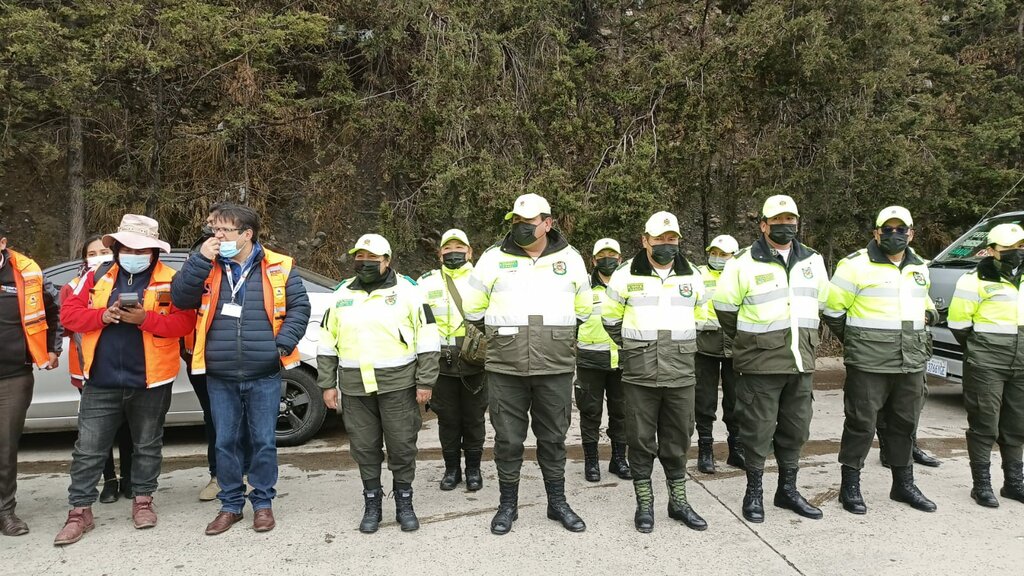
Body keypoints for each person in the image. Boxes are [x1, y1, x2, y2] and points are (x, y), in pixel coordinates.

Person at [55, 215, 196, 546]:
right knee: (88, 449)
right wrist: (103, 315)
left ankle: (143, 501)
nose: (134, 254)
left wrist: (145, 319)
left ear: (154, 251)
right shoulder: (94, 276)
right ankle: (79, 512)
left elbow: (185, 324)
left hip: (152, 381)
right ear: (116, 248)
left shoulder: (173, 281)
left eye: (142, 249)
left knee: (147, 444)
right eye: (128, 248)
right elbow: (68, 315)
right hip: (100, 380)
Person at [171, 204, 311, 536]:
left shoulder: (279, 266)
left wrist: (280, 347)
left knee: (263, 441)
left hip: (264, 371)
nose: (216, 236)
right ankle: (231, 505)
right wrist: (200, 260)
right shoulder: (205, 263)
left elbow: (299, 308)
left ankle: (262, 504)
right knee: (226, 442)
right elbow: (180, 298)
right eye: (214, 230)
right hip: (219, 373)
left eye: (224, 230)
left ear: (246, 234)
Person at [462, 193, 593, 535]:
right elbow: (472, 309)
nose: (521, 227)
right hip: (506, 368)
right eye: (516, 221)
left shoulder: (571, 259)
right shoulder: (492, 258)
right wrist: (506, 338)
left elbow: (583, 309)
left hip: (555, 367)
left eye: (529, 222)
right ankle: (508, 505)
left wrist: (553, 338)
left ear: (547, 223)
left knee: (554, 438)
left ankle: (557, 503)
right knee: (508, 440)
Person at [713, 195, 829, 523]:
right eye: (777, 220)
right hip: (760, 363)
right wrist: (753, 341)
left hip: (801, 361)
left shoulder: (813, 260)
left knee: (796, 428)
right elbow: (725, 309)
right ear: (763, 225)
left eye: (790, 219)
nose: (785, 225)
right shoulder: (742, 262)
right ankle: (754, 492)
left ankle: (787, 490)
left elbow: (821, 302)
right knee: (757, 431)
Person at [318, 234, 439, 533]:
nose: (364, 262)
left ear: (387, 260)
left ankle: (404, 502)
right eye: (359, 257)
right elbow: (326, 340)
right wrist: (327, 383)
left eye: (372, 258)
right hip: (355, 386)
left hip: (398, 384)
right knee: (364, 447)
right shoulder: (341, 293)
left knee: (402, 446)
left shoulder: (408, 291)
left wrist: (425, 381)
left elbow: (428, 337)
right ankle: (372, 503)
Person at [823, 206, 938, 515]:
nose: (894, 234)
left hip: (910, 360)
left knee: (905, 423)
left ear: (911, 234)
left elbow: (925, 302)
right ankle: (850, 486)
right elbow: (833, 311)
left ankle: (903, 484)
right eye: (887, 229)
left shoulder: (919, 267)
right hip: (869, 362)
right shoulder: (854, 266)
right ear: (876, 233)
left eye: (901, 229)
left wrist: (930, 314)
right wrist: (859, 342)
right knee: (861, 423)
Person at [602, 212, 707, 533]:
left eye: (671, 238)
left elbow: (701, 317)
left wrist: (676, 348)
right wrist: (637, 350)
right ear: (645, 240)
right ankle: (644, 504)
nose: (666, 244)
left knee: (679, 439)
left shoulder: (693, 276)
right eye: (659, 239)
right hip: (640, 374)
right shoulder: (624, 275)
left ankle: (678, 502)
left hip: (680, 373)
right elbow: (610, 319)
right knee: (640, 439)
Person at [947, 222, 1024, 508]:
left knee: (1017, 424)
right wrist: (982, 350)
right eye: (1008, 248)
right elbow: (958, 324)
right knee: (984, 424)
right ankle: (981, 485)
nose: (1017, 252)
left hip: (1022, 362)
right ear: (991, 251)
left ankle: (1014, 483)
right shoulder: (973, 280)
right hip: (987, 361)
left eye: (1021, 246)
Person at [181, 206, 251, 502]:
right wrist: (201, 260)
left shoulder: (249, 257)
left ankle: (247, 472)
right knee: (215, 418)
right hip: (202, 355)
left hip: (242, 353)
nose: (214, 230)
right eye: (211, 224)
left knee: (247, 417)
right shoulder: (200, 255)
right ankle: (218, 475)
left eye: (220, 225)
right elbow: (182, 297)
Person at [63, 235, 133, 504]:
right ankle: (109, 481)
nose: (98, 257)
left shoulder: (123, 280)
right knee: (97, 432)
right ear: (84, 258)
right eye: (92, 253)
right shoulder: (73, 286)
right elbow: (68, 323)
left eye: (104, 252)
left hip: (122, 366)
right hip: (87, 368)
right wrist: (101, 315)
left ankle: (129, 478)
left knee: (127, 428)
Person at [0, 225, 60, 537]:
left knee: (5, 446)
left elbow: (54, 310)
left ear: (2, 243)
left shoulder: (27, 273)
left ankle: (5, 511)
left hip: (12, 376)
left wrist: (53, 348)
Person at [418, 229, 487, 492]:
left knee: (474, 419)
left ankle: (473, 470)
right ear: (440, 254)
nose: (453, 252)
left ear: (470, 252)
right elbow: (418, 321)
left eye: (460, 248)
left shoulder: (482, 279)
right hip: (440, 362)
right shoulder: (426, 282)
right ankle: (451, 470)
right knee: (447, 420)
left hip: (474, 361)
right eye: (448, 248)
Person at [575, 238, 630, 482]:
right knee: (590, 413)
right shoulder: (584, 286)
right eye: (602, 256)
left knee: (622, 413)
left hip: (621, 360)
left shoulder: (628, 285)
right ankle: (591, 462)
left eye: (612, 255)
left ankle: (619, 460)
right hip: (590, 360)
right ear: (594, 260)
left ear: (620, 258)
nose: (607, 260)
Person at [694, 234, 744, 473]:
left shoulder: (742, 274)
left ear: (734, 256)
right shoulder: (698, 274)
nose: (717, 258)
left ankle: (736, 449)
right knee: (704, 402)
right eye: (714, 253)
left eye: (723, 254)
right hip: (705, 346)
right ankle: (705, 451)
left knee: (736, 401)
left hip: (735, 347)